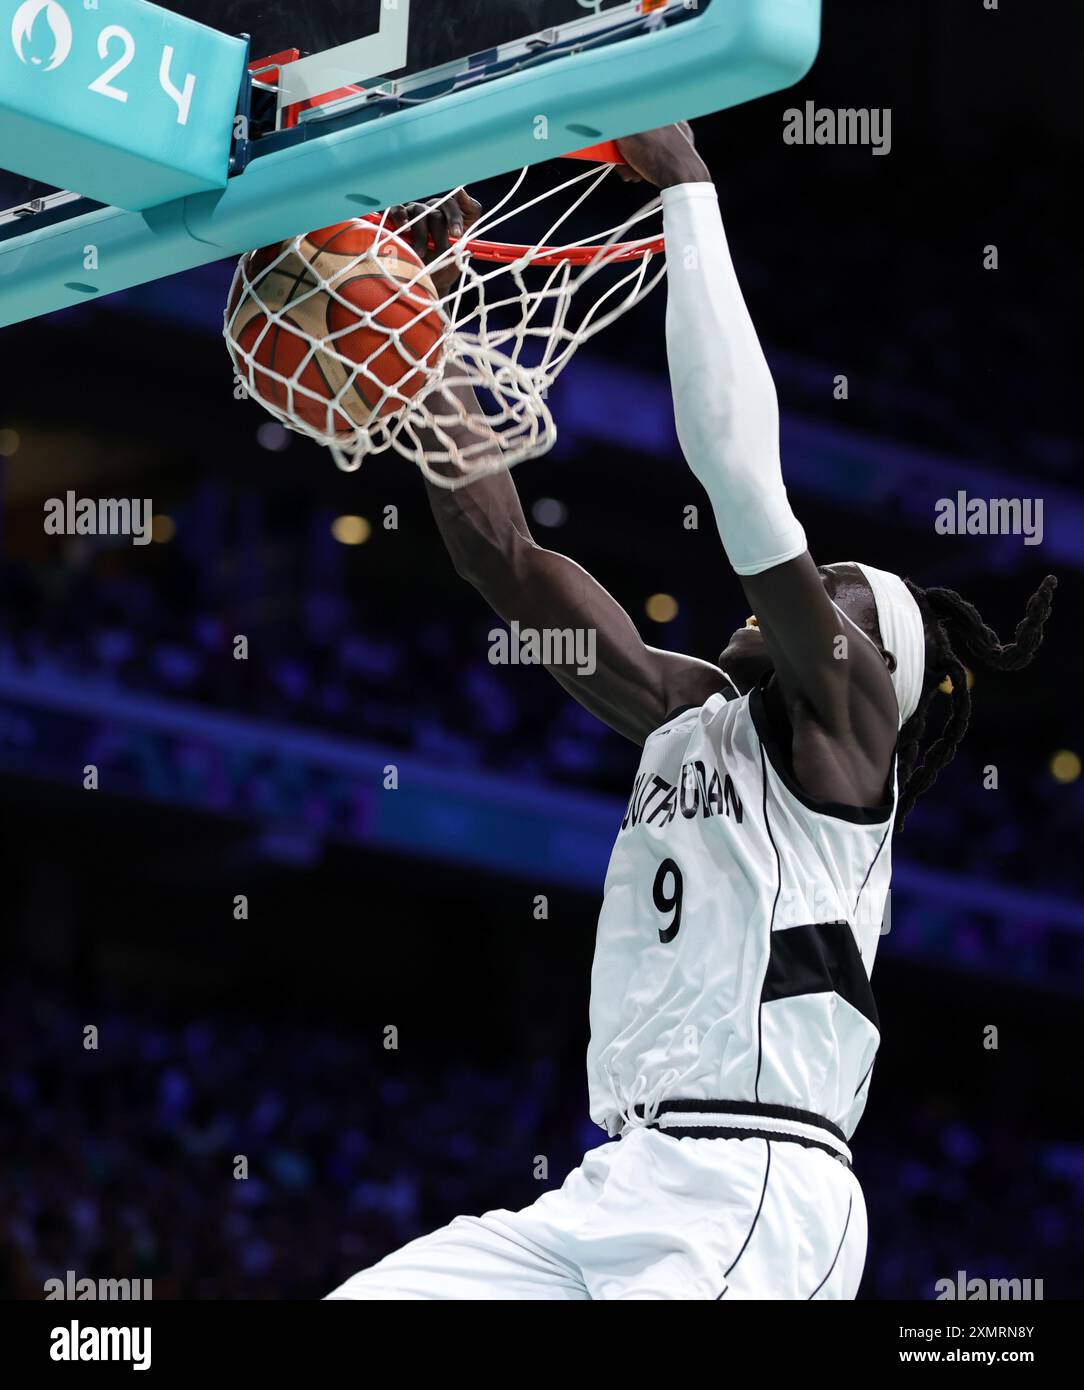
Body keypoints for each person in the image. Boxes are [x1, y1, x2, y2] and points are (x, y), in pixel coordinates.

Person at [327, 125, 1056, 1300]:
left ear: (871, 670)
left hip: (755, 1188)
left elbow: (740, 476)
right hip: (620, 1178)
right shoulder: (689, 711)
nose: (803, 589)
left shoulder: (843, 749)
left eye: (832, 590)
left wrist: (687, 187)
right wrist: (418, 341)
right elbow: (507, 560)